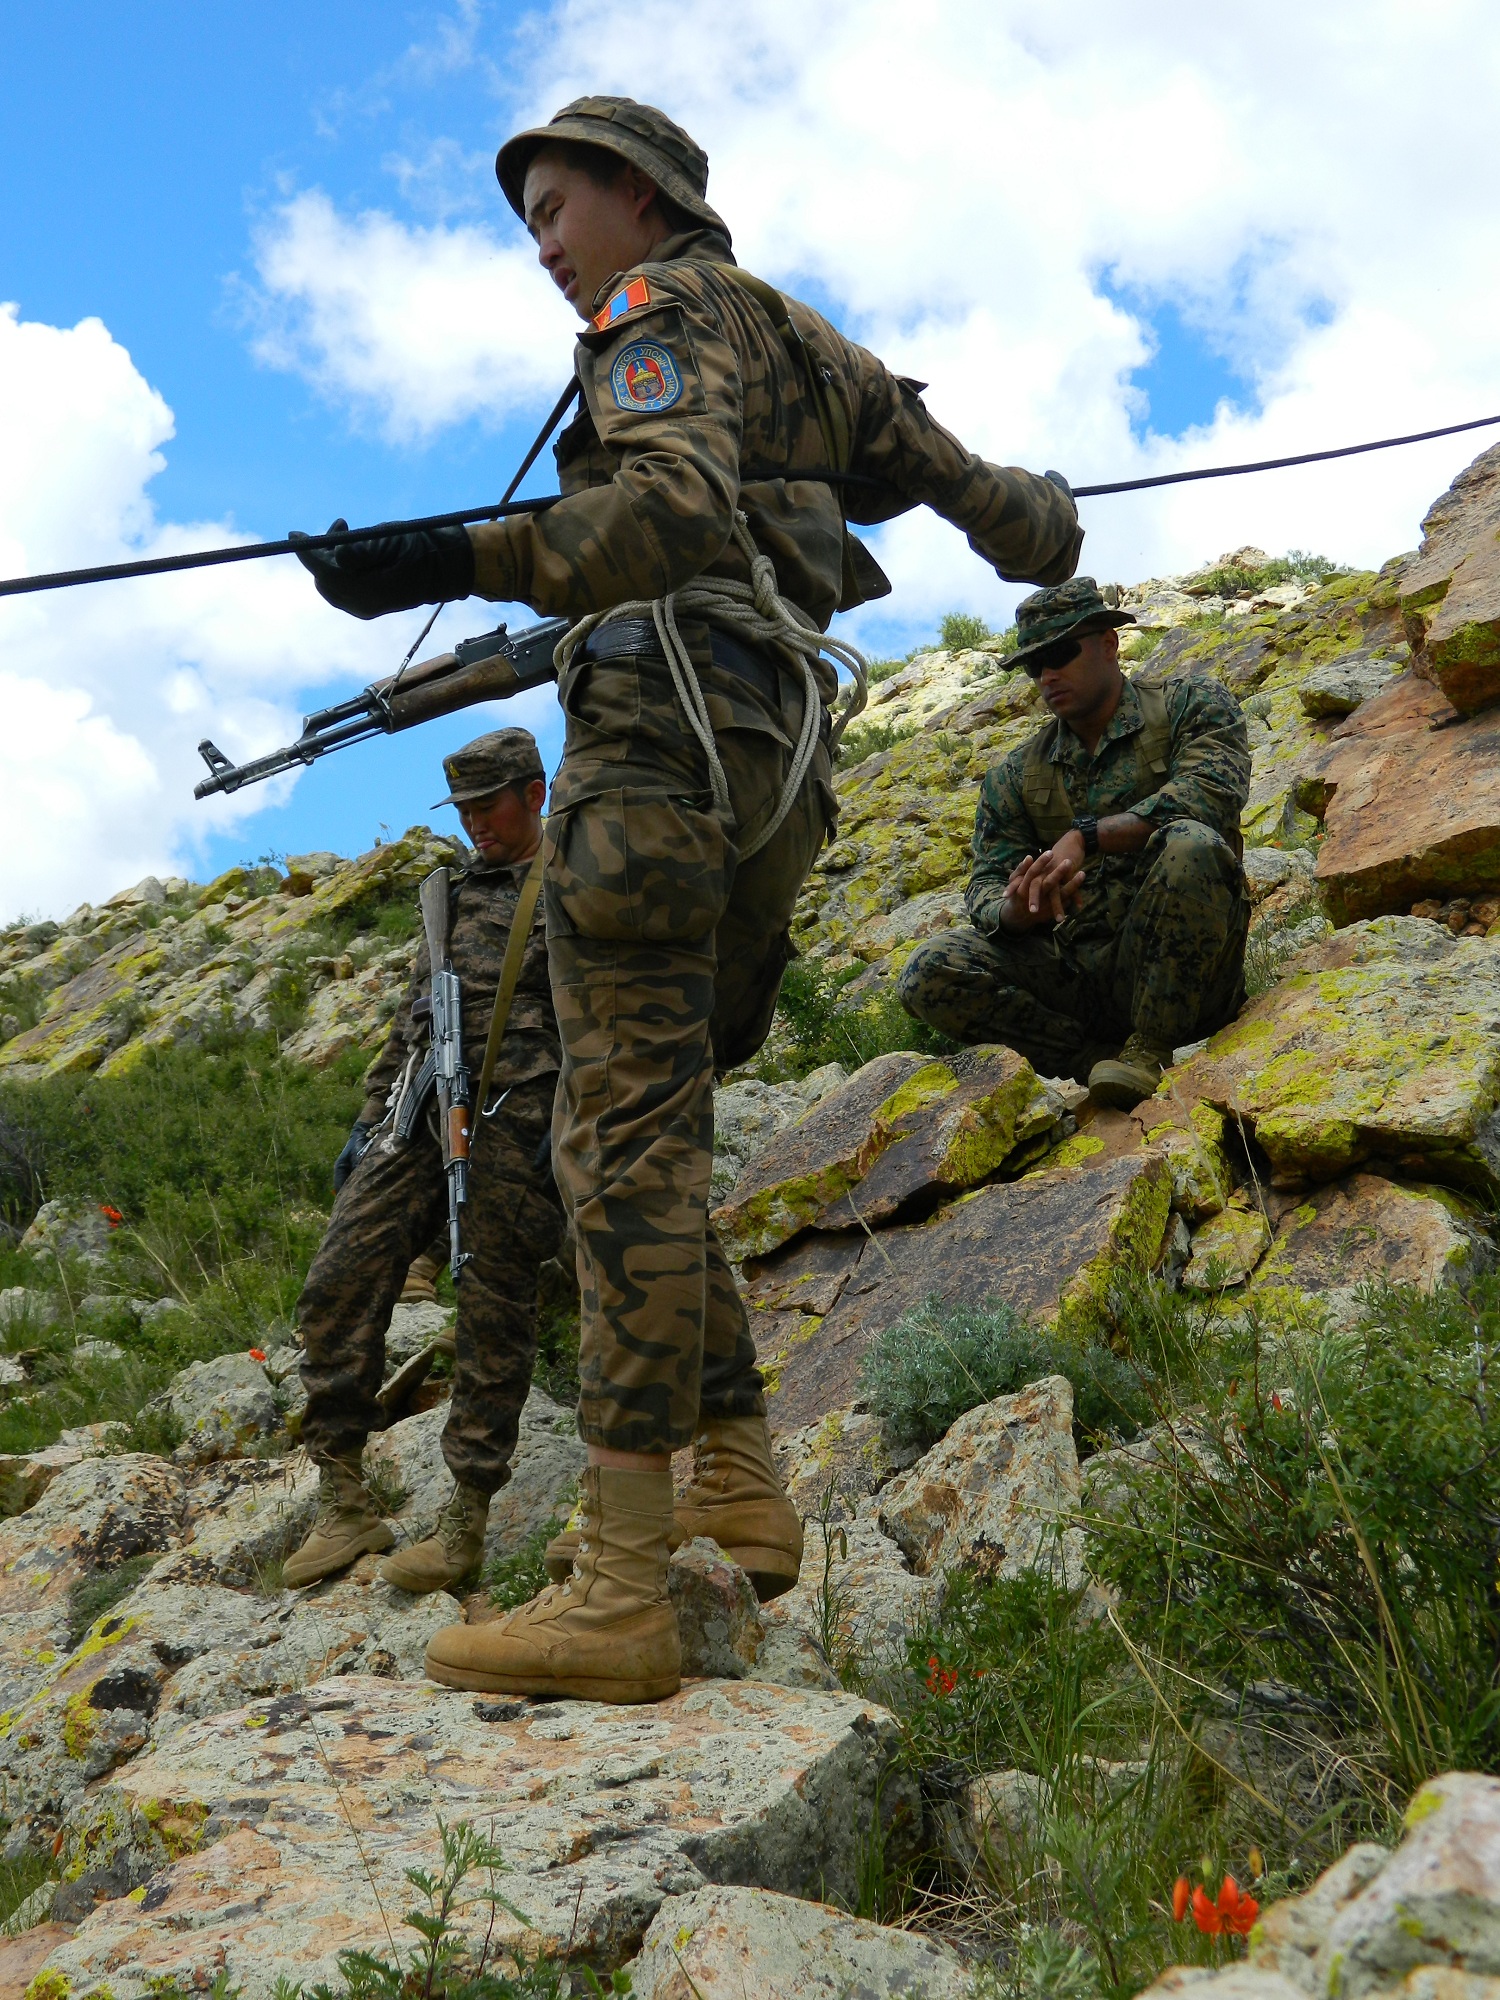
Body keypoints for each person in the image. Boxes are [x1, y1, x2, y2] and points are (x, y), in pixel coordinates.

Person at [291, 95, 1082, 1703]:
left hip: (659, 741)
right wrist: (1040, 515)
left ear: (643, 199)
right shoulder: (809, 344)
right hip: (778, 758)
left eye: (558, 205)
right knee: (636, 1118)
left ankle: (621, 1588)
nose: (543, 242)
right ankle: (732, 1473)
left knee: (617, 1143)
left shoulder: (649, 317)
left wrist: (463, 549)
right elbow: (992, 504)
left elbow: (660, 515)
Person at [283, 728, 562, 1594]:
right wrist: (371, 1121)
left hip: (519, 1121)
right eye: (465, 810)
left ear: (536, 792)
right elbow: (413, 1016)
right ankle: (345, 1497)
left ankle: (466, 1521)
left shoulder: (578, 885)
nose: (476, 823)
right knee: (337, 1282)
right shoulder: (446, 893)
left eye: (490, 806)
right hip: (417, 1116)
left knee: (490, 1311)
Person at [897, 578, 1251, 1109]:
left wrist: (1089, 835)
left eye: (1061, 653)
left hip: (1188, 971)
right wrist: (1015, 910)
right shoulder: (1015, 775)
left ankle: (1150, 1050)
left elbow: (1211, 796)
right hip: (1077, 976)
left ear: (1109, 643)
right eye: (1034, 666)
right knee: (928, 970)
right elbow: (986, 884)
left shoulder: (1190, 705)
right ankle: (1090, 1062)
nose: (1047, 676)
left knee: (1191, 846)